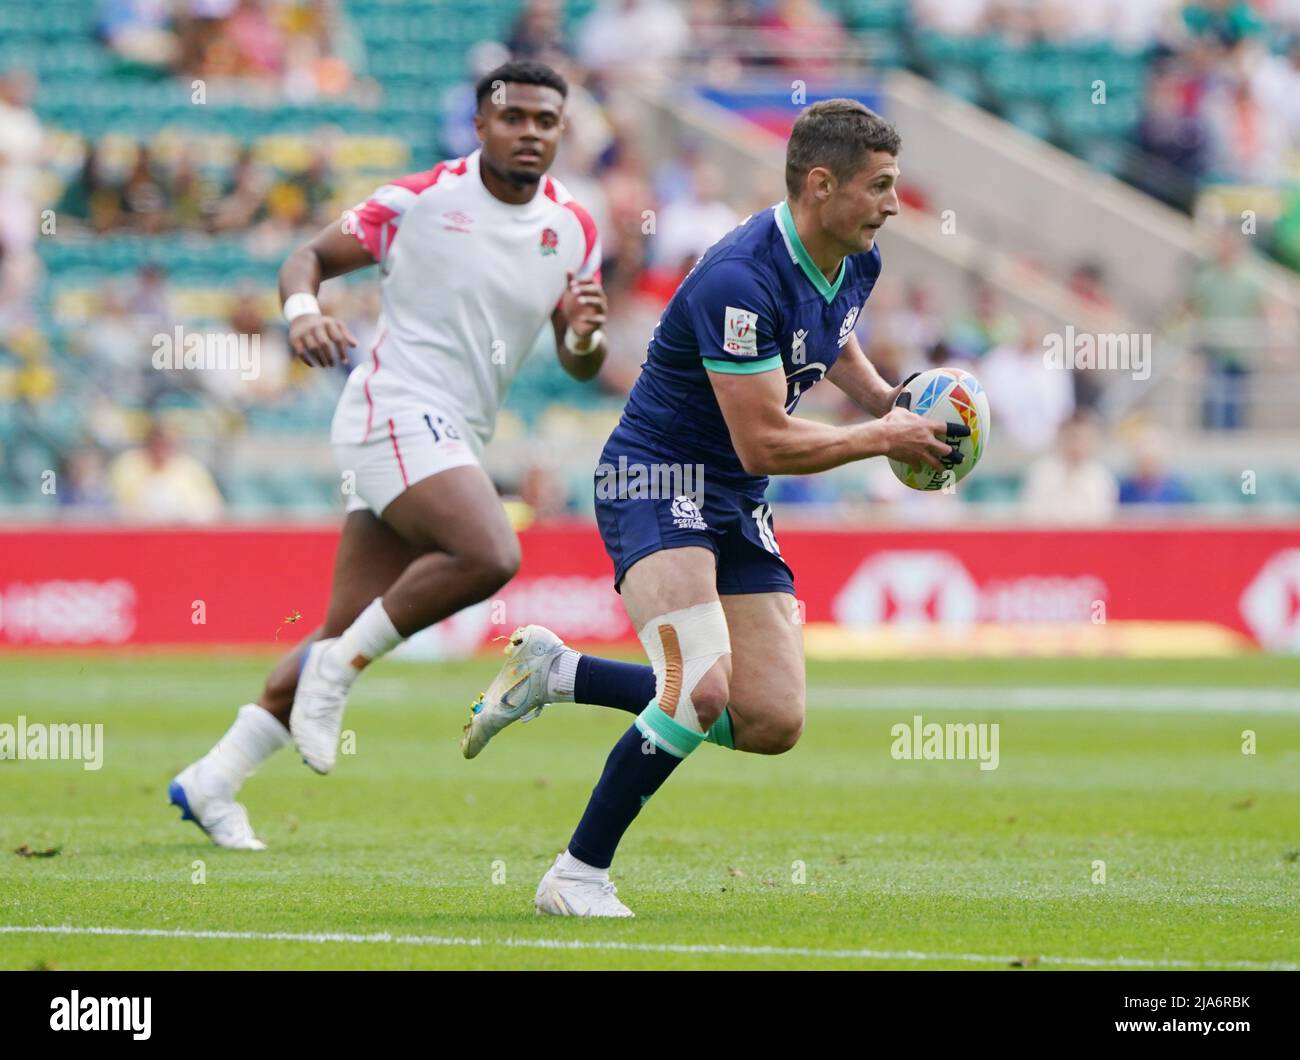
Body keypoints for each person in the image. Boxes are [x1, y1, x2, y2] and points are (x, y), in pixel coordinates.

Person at [463, 100, 963, 916]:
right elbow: (766, 440)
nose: (892, 204)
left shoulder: (855, 257)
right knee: (698, 687)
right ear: (820, 182)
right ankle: (577, 874)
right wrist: (882, 435)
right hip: (655, 478)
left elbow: (826, 336)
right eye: (879, 187)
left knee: (770, 718)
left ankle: (558, 673)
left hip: (732, 494)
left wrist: (887, 396)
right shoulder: (739, 277)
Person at [168, 60, 608, 850]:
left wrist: (583, 335)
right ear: (480, 125)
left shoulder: (574, 226)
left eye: (547, 121)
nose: (531, 132)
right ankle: (339, 674)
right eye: (515, 118)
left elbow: (579, 361)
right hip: (392, 410)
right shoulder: (421, 199)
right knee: (490, 551)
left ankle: (212, 780)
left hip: (453, 432)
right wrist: (303, 314)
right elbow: (304, 259)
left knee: (339, 625)